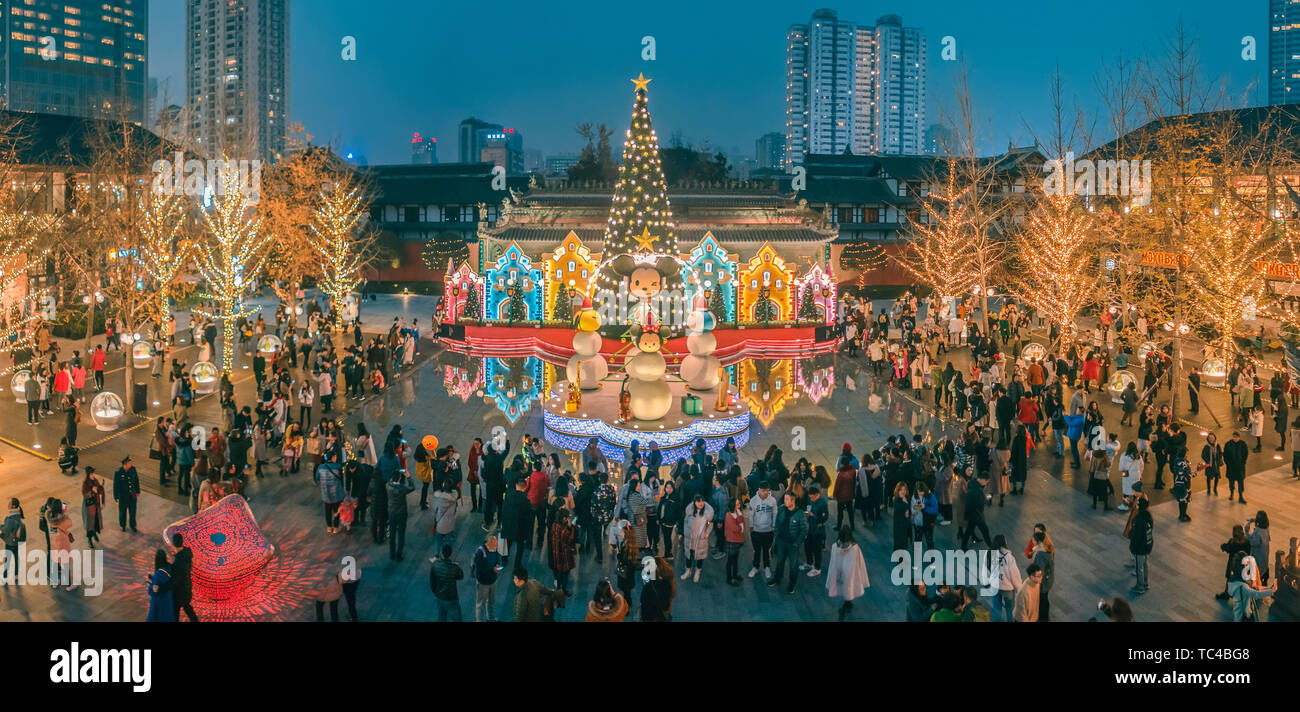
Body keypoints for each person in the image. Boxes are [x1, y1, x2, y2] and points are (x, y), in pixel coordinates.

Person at [825, 525, 869, 621]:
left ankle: (847, 603)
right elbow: (860, 562)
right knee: (849, 588)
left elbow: (833, 561)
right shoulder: (855, 548)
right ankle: (847, 603)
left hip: (839, 572)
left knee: (842, 587)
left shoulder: (835, 546)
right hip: (851, 574)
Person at [769, 491, 808, 594]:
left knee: (793, 566)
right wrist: (777, 536)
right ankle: (777, 579)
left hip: (793, 544)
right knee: (779, 562)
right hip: (781, 542)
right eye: (785, 499)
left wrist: (797, 542)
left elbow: (804, 530)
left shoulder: (800, 513)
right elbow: (777, 523)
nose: (784, 501)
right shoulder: (781, 509)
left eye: (787, 499)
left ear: (793, 500)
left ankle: (792, 585)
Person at [746, 481, 777, 579]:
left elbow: (775, 513)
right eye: (763, 491)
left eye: (767, 491)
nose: (765, 493)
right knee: (757, 551)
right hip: (757, 530)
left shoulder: (772, 500)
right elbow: (751, 515)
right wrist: (751, 527)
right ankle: (755, 567)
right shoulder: (753, 501)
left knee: (766, 551)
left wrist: (774, 525)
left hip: (768, 530)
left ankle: (766, 567)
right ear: (759, 490)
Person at [680, 494, 714, 582]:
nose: (701, 503)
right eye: (698, 501)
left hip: (701, 539)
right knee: (689, 555)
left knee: (700, 557)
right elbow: (685, 524)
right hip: (691, 539)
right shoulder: (690, 512)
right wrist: (684, 534)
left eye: (702, 501)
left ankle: (697, 572)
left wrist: (707, 533)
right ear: (694, 502)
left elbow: (710, 524)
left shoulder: (707, 514)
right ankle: (688, 571)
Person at [470, 535, 503, 622]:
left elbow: (497, 559)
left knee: (491, 601)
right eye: (496, 544)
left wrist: (497, 565)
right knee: (480, 604)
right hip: (483, 582)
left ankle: (490, 617)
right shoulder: (480, 552)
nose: (497, 545)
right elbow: (480, 569)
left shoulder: (494, 549)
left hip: (493, 580)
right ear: (490, 543)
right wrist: (493, 569)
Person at [429, 544, 465, 622]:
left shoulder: (435, 566)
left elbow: (432, 583)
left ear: (441, 553)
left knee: (441, 617)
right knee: (456, 618)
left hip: (440, 597)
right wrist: (457, 566)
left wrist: (437, 593)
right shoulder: (454, 567)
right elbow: (461, 576)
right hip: (451, 598)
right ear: (451, 554)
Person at [385, 468, 415, 560]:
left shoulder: (388, 486)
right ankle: (399, 554)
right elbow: (412, 487)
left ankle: (392, 553)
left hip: (391, 512)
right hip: (401, 513)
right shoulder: (402, 488)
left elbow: (390, 481)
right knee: (401, 534)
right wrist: (409, 477)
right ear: (399, 479)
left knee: (392, 533)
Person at [990, 535, 1022, 622]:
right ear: (1004, 542)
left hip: (995, 587)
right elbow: (1014, 575)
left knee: (997, 609)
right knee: (1010, 610)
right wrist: (1019, 588)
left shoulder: (990, 554)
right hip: (1007, 588)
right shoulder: (1009, 557)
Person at [1128, 497, 1153, 594]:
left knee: (1139, 568)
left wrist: (1133, 544)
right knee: (1145, 564)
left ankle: (1140, 586)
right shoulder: (1148, 516)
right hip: (1147, 545)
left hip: (1140, 547)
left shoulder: (1139, 520)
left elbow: (1136, 535)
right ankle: (1146, 583)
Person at [170, 533, 198, 621]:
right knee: (187, 607)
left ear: (173, 545)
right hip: (187, 587)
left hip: (179, 593)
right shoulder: (187, 554)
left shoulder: (178, 563)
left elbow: (175, 581)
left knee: (175, 612)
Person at [146, 549, 176, 622]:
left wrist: (150, 586)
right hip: (168, 598)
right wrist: (152, 578)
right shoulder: (168, 567)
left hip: (159, 601)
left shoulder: (158, 574)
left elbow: (153, 591)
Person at [1030, 530, 1053, 622]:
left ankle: (1043, 619)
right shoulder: (1047, 549)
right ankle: (1045, 618)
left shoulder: (1040, 555)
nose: (1032, 542)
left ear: (1038, 542)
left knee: (1042, 601)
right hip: (1047, 582)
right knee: (1044, 600)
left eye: (1034, 541)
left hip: (1041, 584)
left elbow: (1039, 571)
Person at [113, 456, 140, 532]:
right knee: (122, 512)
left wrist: (137, 491)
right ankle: (123, 525)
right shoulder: (118, 472)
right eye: (129, 463)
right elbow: (116, 485)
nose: (130, 464)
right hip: (123, 497)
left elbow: (136, 481)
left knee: (132, 512)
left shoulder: (133, 469)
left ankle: (132, 525)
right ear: (125, 464)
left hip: (132, 495)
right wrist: (116, 497)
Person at [80, 467, 104, 548]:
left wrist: (101, 487)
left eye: (93, 473)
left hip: (95, 505)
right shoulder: (85, 483)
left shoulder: (95, 480)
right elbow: (84, 494)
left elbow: (99, 490)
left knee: (96, 522)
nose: (93, 475)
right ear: (88, 475)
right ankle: (89, 539)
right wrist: (92, 491)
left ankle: (94, 533)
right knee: (90, 523)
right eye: (91, 474)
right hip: (89, 506)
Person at [1223, 431, 1249, 504]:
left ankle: (1241, 496)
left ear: (1239, 437)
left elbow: (1245, 454)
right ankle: (1231, 494)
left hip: (1240, 468)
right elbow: (1225, 454)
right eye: (1234, 437)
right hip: (1231, 468)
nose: (1235, 438)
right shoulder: (1228, 444)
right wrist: (1227, 463)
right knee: (1231, 482)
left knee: (1240, 482)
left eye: (1236, 437)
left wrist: (1243, 462)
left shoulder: (1243, 444)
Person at [1246, 511, 1271, 584]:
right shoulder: (1266, 528)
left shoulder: (1258, 532)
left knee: (1258, 576)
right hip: (1265, 557)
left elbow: (1253, 543)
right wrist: (1254, 520)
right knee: (1264, 571)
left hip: (1258, 557)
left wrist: (1247, 532)